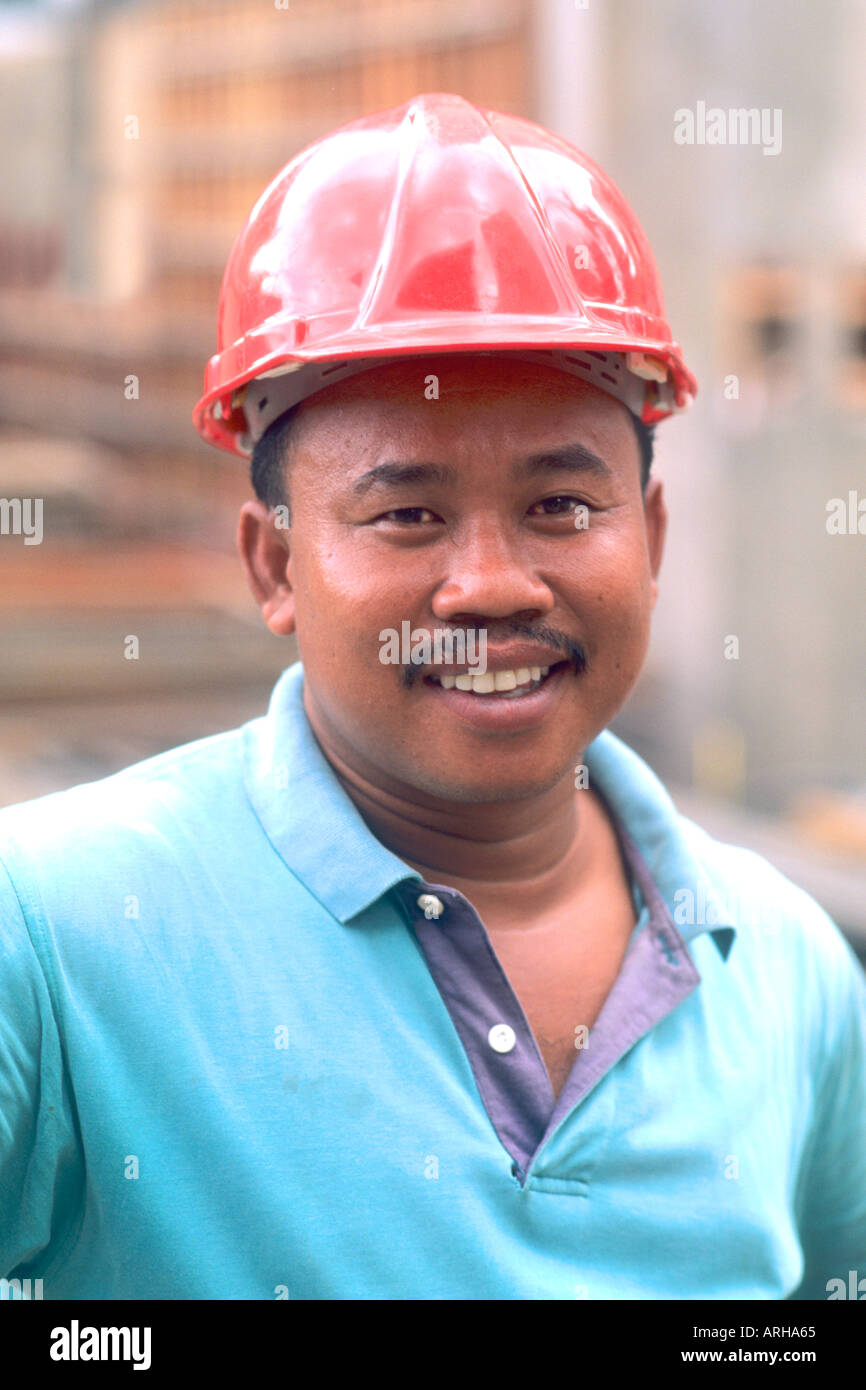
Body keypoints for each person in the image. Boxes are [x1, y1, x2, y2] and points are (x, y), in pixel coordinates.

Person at [1, 93, 864, 1301]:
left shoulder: (787, 972)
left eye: (562, 506)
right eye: (405, 512)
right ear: (274, 564)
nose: (493, 586)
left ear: (652, 537)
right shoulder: (52, 937)